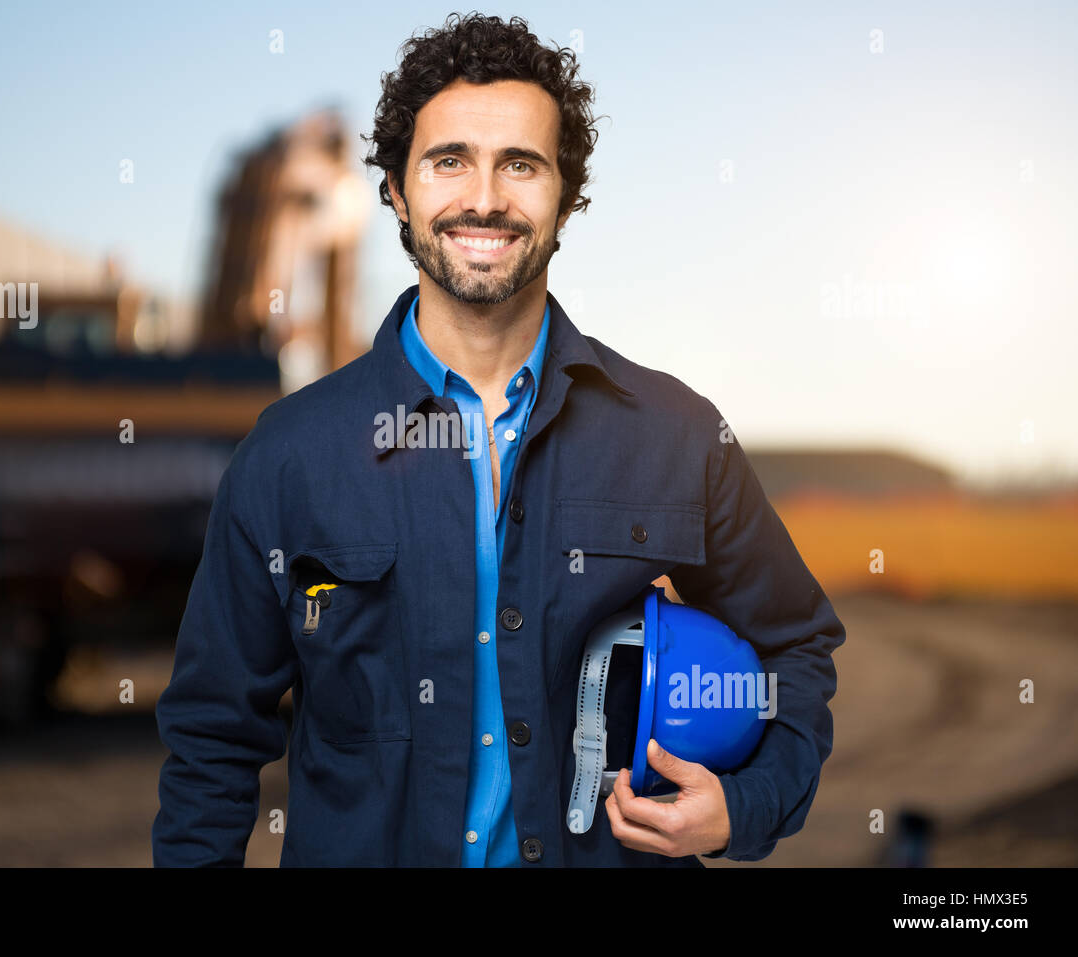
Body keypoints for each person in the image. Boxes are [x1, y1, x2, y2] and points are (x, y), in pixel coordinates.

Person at [152, 12, 845, 867]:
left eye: (520, 163)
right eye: (450, 161)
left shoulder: (678, 435)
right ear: (399, 194)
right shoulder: (290, 454)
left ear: (565, 195)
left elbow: (796, 646)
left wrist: (746, 804)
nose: (484, 198)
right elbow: (212, 739)